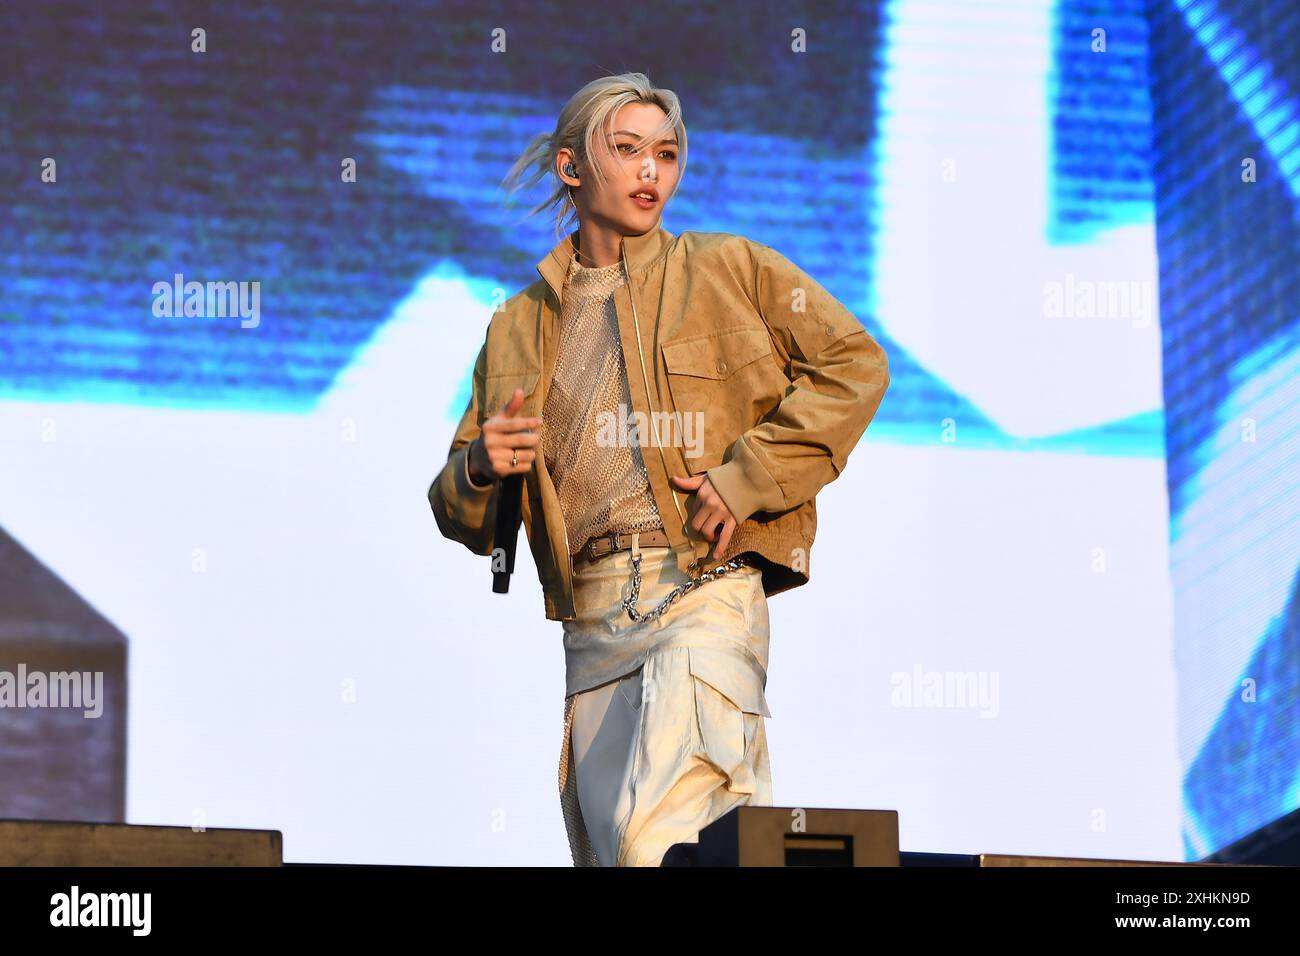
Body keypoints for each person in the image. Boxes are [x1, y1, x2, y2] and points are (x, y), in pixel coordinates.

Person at [428, 72, 889, 866]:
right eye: (628, 149)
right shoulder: (516, 326)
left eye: (666, 154)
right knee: (618, 856)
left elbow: (856, 365)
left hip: (704, 595)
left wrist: (746, 479)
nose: (651, 171)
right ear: (572, 167)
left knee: (663, 849)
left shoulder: (729, 269)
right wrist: (477, 468)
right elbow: (459, 512)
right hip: (592, 627)